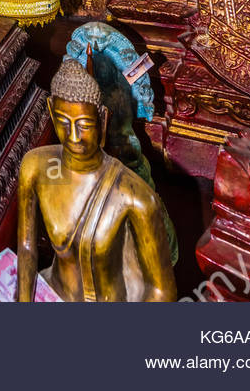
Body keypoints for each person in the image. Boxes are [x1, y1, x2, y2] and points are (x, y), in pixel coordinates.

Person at [16, 59, 175, 302]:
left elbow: (162, 291)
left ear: (102, 119)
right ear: (50, 110)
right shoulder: (36, 166)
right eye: (63, 122)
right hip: (54, 292)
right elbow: (27, 248)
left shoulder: (135, 196)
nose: (73, 137)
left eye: (84, 124)